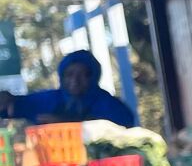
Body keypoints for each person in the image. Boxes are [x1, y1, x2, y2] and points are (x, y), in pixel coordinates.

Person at [0, 49, 137, 126]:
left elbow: (123, 128)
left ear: (94, 76)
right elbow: (17, 105)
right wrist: (8, 99)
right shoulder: (50, 99)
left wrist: (65, 123)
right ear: (61, 76)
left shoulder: (109, 104)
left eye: (83, 75)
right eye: (69, 74)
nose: (75, 80)